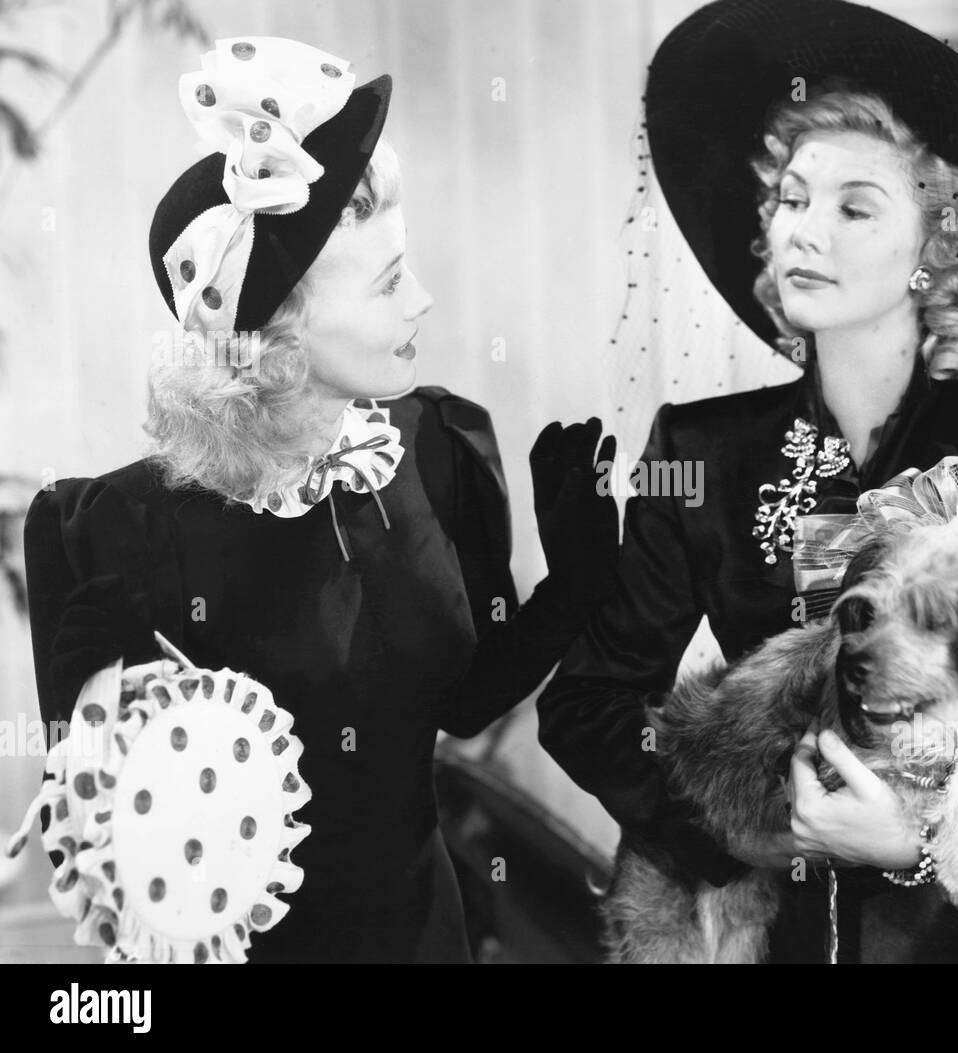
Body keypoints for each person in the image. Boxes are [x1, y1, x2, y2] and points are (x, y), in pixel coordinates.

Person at [538, 0, 958, 963]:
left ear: (938, 249)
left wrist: (923, 832)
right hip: (776, 921)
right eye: (789, 200)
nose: (802, 232)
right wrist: (742, 827)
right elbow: (588, 703)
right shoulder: (704, 450)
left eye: (853, 206)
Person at [21, 36, 618, 963]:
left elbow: (461, 704)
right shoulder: (115, 533)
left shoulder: (436, 447)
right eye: (387, 283)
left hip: (429, 938)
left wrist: (576, 581)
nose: (422, 300)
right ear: (279, 336)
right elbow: (120, 858)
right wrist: (91, 716)